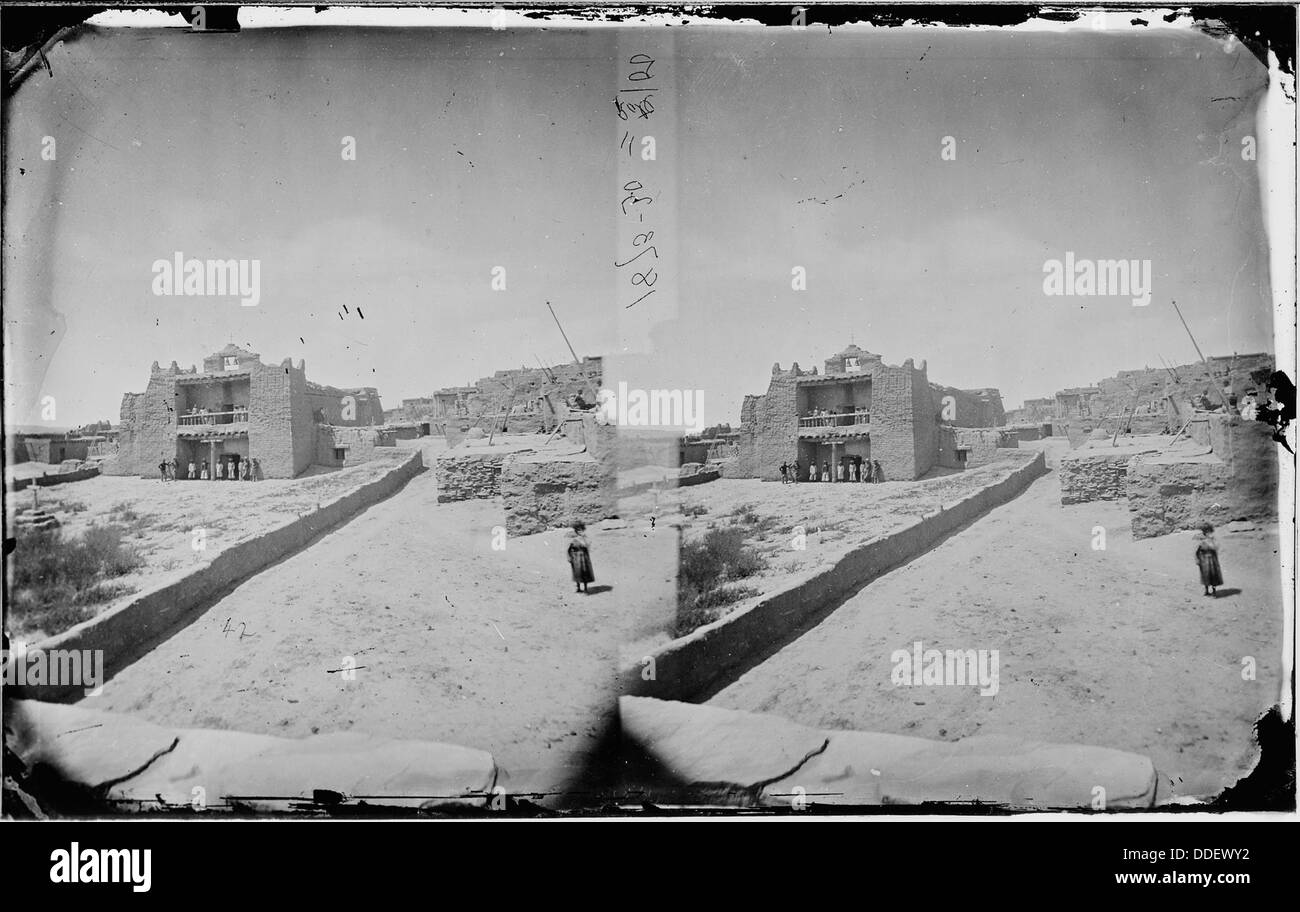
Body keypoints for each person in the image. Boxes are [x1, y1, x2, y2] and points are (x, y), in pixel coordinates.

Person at [1195, 523, 1224, 597]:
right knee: (1205, 575)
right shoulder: (1199, 538)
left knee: (1213, 575)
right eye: (1205, 530)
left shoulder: (1212, 538)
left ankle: (1214, 591)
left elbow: (1216, 547)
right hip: (1203, 559)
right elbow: (1196, 550)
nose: (1206, 532)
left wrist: (1209, 543)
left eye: (1208, 530)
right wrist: (1197, 559)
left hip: (1212, 559)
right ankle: (1206, 590)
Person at [567, 522, 595, 594]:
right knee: (577, 573)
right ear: (576, 531)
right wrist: (569, 557)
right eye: (579, 530)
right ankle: (578, 588)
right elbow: (569, 549)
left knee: (585, 572)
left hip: (584, 558)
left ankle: (585, 588)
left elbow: (588, 547)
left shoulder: (585, 539)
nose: (580, 531)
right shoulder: (573, 539)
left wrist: (584, 539)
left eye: (581, 530)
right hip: (576, 558)